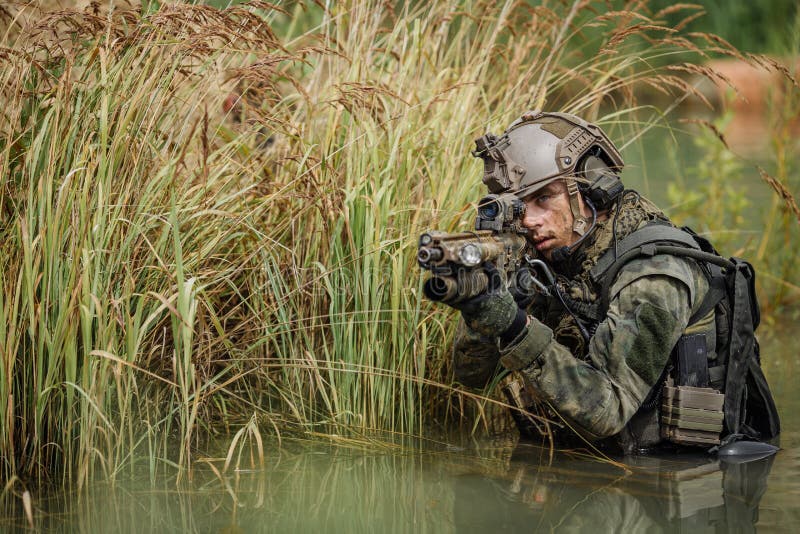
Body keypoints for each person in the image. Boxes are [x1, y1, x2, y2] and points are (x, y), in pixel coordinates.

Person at [447, 110, 779, 453]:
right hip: (578, 469)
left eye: (543, 198)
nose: (529, 220)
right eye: (518, 206)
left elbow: (609, 409)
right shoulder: (553, 257)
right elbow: (473, 376)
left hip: (668, 480)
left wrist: (516, 328)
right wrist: (482, 307)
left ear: (591, 187)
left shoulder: (655, 273)